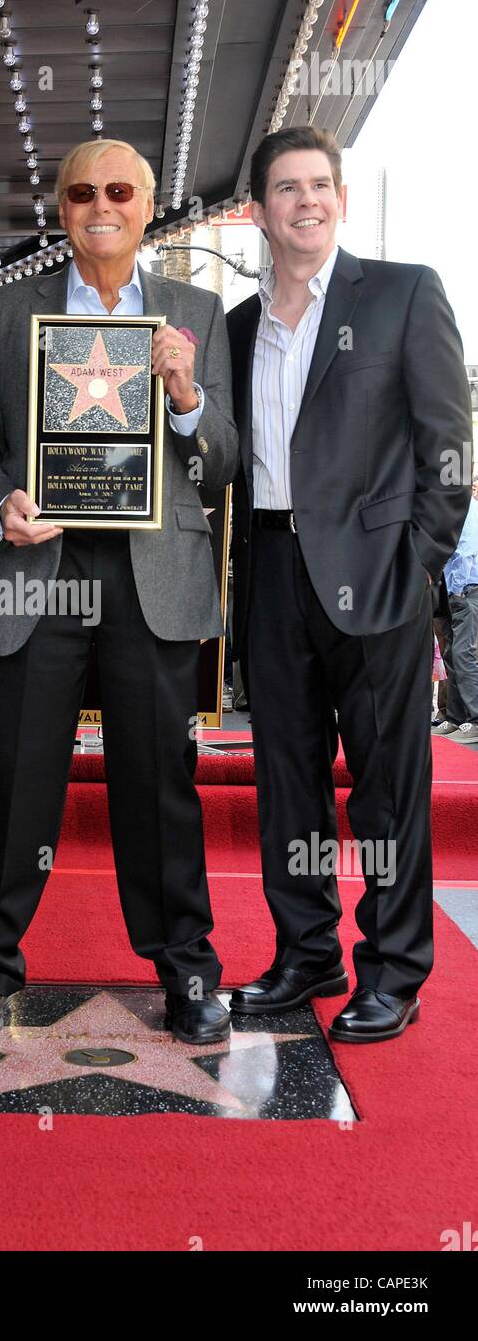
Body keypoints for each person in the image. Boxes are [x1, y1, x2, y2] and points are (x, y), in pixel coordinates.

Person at [0, 137, 238, 1043]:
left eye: (118, 190)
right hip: (40, 569)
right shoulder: (2, 314)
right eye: (80, 192)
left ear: (148, 206)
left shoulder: (198, 313)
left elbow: (224, 463)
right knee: (13, 777)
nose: (99, 205)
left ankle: (187, 968)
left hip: (154, 576)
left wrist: (187, 398)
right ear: (60, 209)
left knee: (160, 784)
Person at [227, 125, 472, 1043]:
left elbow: (447, 441)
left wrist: (418, 561)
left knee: (386, 791)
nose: (307, 202)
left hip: (376, 578)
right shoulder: (238, 326)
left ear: (337, 195)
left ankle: (392, 968)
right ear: (257, 210)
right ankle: (307, 955)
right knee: (285, 783)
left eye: (320, 185)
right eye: (286, 188)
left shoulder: (403, 293)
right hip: (270, 573)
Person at [434, 480, 478, 742]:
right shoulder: (450, 507)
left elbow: (467, 549)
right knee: (451, 654)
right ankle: (456, 717)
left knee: (464, 653)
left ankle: (475, 717)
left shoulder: (467, 507)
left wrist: (457, 588)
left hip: (465, 589)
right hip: (450, 590)